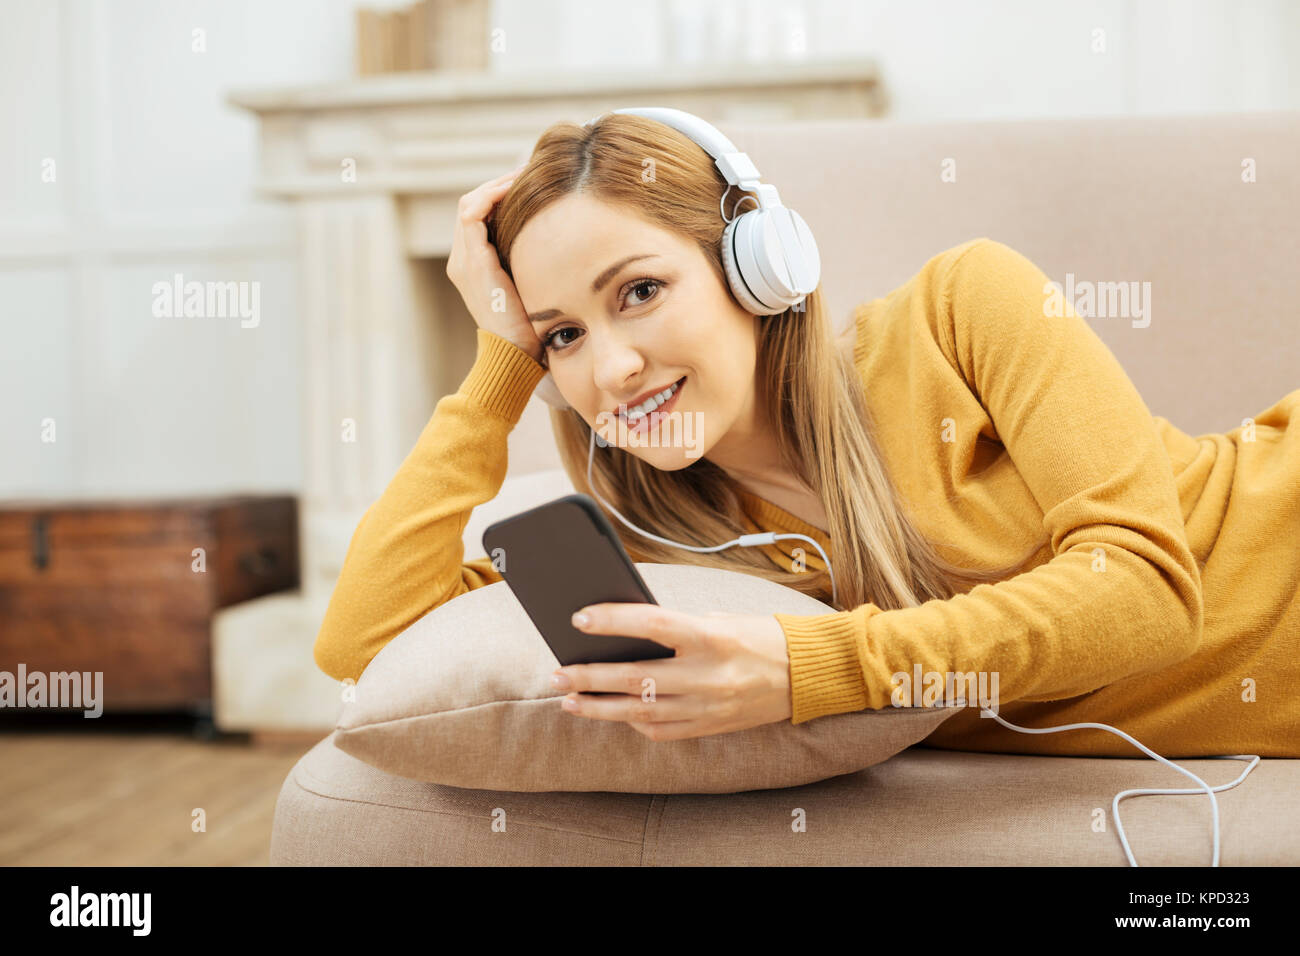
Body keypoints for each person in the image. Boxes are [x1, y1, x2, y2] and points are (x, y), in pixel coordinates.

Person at [313, 112, 1299, 756]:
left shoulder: (964, 309)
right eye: (564, 333)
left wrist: (811, 669)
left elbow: (1144, 591)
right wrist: (500, 363)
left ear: (758, 267)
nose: (608, 368)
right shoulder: (667, 542)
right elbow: (359, 639)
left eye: (641, 290)